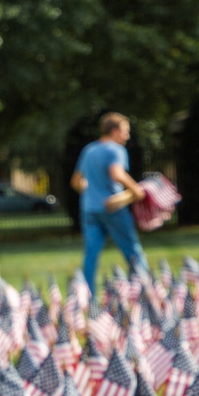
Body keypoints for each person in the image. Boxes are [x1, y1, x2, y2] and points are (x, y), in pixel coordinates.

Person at [71, 112, 148, 297]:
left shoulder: (89, 150)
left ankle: (89, 298)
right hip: (113, 208)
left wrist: (90, 191)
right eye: (125, 131)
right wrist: (137, 190)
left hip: (90, 210)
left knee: (91, 256)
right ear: (114, 131)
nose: (127, 136)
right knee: (132, 251)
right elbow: (117, 174)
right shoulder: (115, 150)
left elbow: (76, 181)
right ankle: (145, 292)